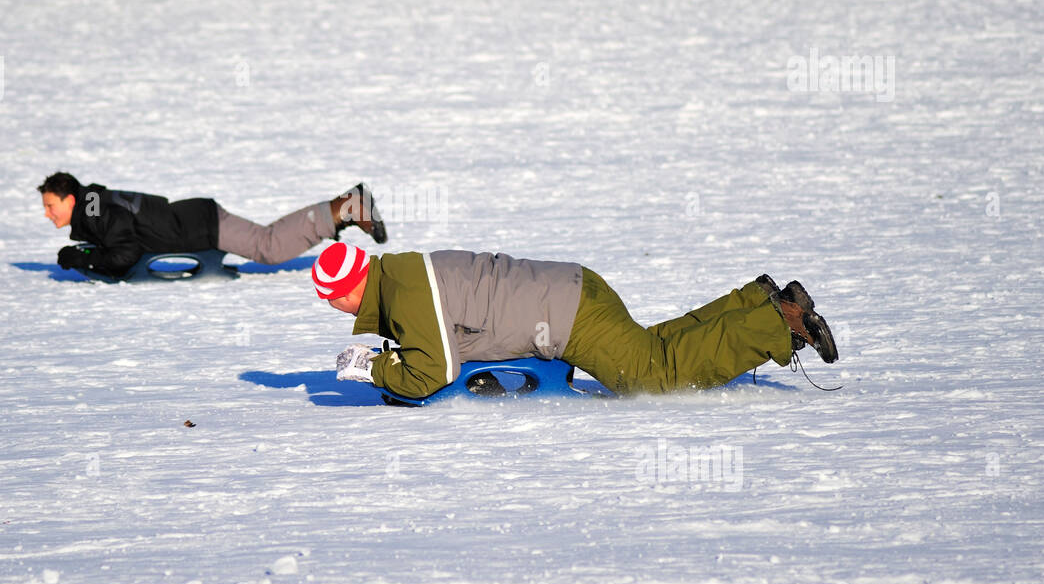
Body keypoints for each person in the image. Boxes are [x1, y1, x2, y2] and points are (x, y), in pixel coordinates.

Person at [313, 242, 838, 400]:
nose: (334, 309)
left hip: (564, 314)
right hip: (569, 291)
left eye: (330, 300)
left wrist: (374, 370)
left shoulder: (405, 293)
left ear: (346, 292)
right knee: (652, 347)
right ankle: (757, 300)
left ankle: (779, 323)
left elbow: (435, 370)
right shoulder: (402, 274)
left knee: (650, 376)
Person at [39, 172, 387, 278]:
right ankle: (341, 210)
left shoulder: (97, 212)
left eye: (51, 206)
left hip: (201, 225)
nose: (48, 213)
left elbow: (125, 253)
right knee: (268, 240)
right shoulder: (94, 204)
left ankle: (347, 207)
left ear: (69, 199)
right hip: (195, 219)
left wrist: (81, 259)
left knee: (269, 247)